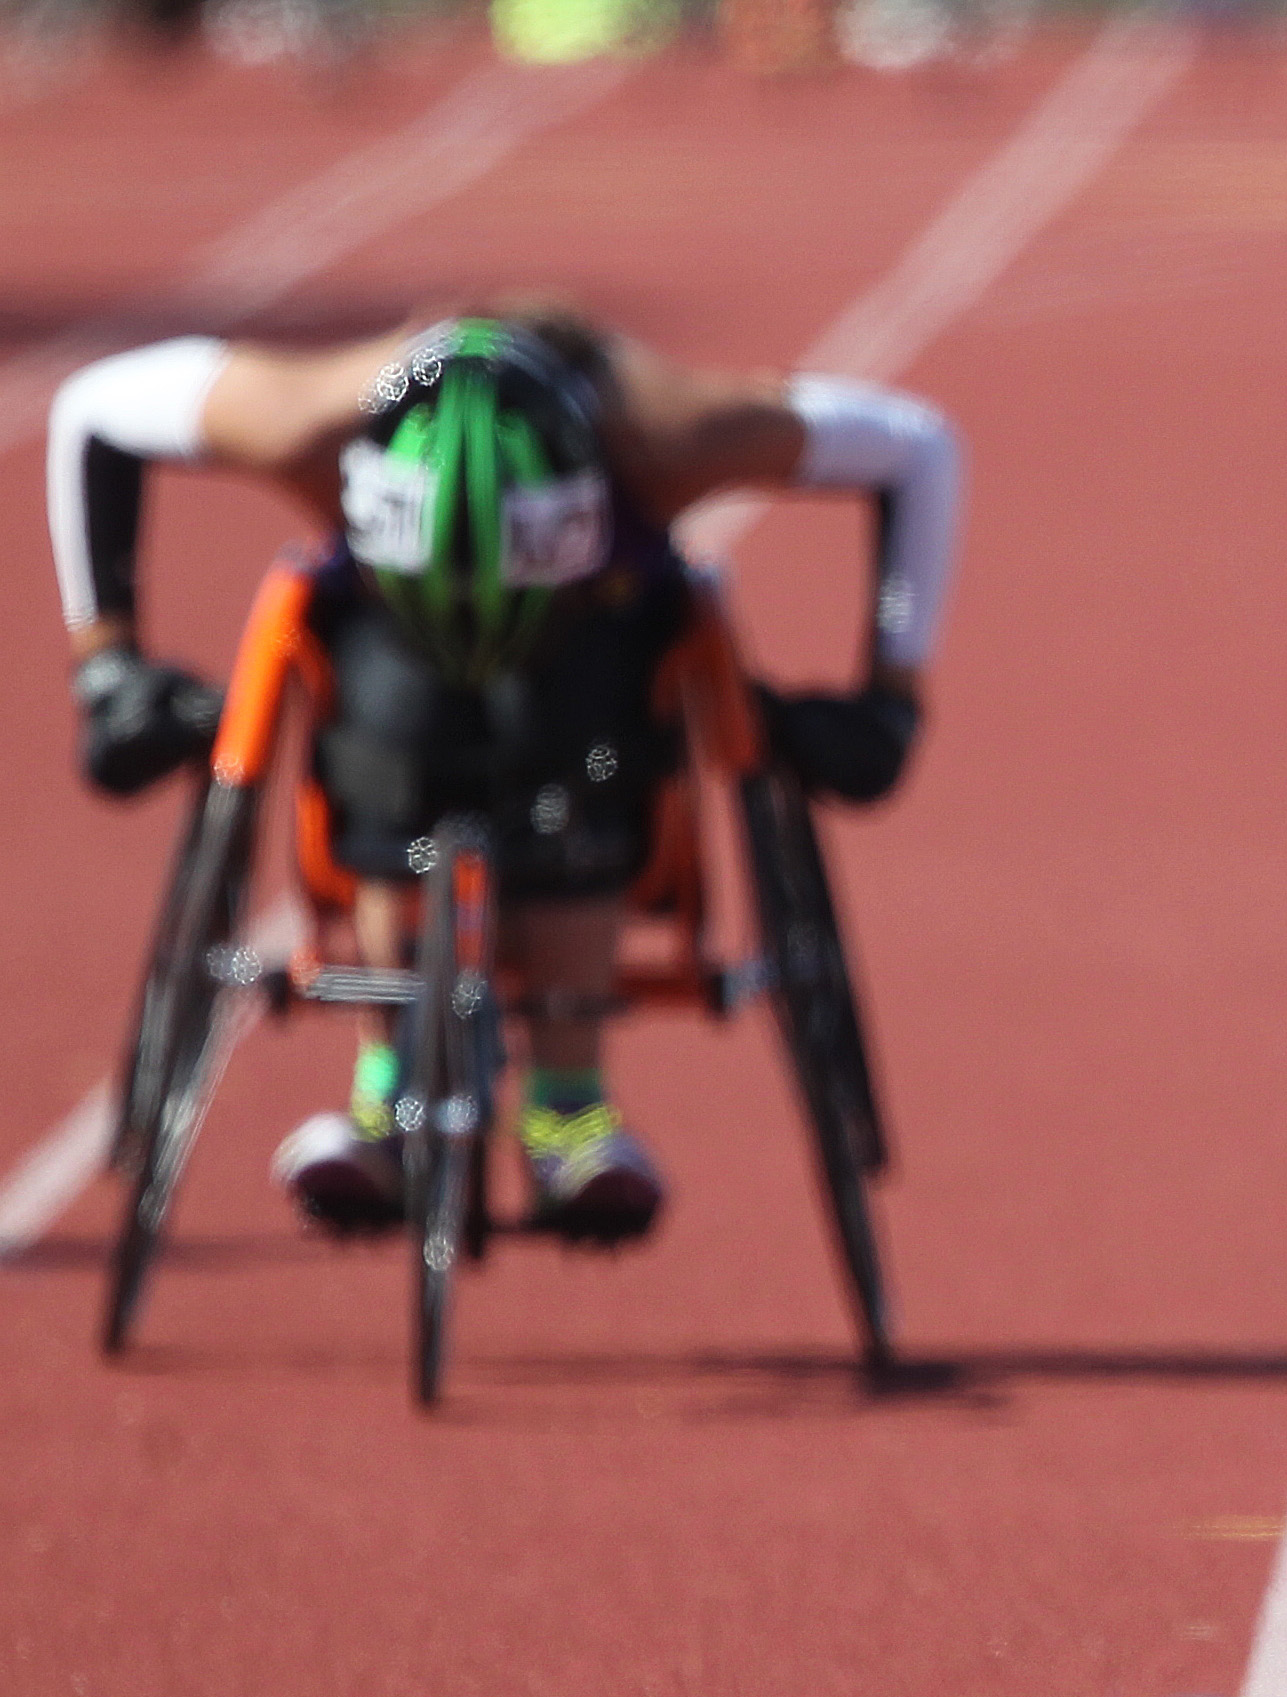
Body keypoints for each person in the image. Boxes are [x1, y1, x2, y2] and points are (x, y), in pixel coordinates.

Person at [49, 309, 957, 1241]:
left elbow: (919, 448)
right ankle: (382, 1097)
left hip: (594, 630)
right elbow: (94, 409)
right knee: (380, 721)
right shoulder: (311, 422)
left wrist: (893, 694)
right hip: (386, 626)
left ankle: (570, 1103)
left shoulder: (663, 434)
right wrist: (107, 662)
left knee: (593, 737)